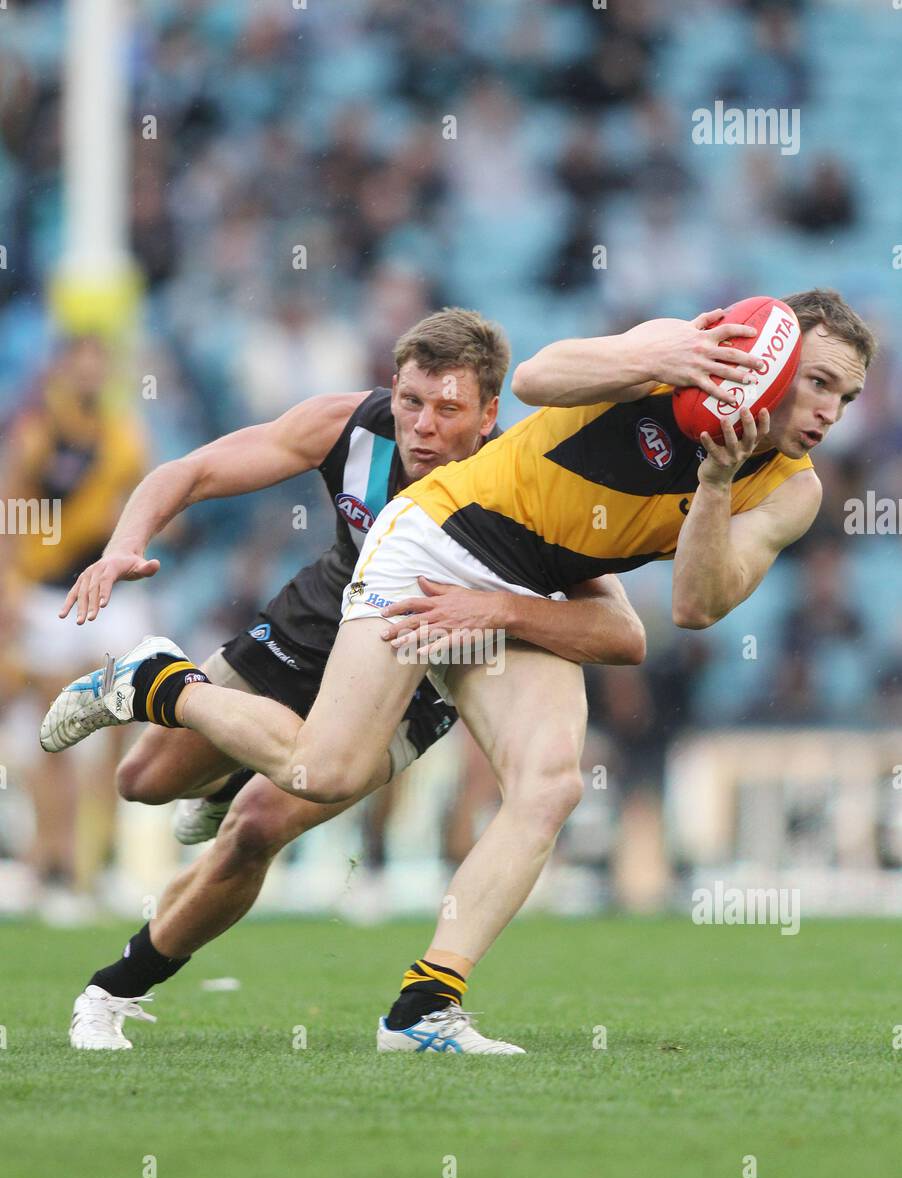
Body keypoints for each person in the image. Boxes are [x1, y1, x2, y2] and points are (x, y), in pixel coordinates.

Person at [43, 290, 873, 1054]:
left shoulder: (791, 490)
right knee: (302, 773)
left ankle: (423, 1007)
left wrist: (718, 484)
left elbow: (693, 608)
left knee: (549, 784)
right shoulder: (676, 348)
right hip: (440, 542)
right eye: (822, 383)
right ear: (774, 358)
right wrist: (664, 360)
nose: (832, 413)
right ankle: (159, 682)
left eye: (850, 398)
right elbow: (545, 375)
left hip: (515, 594)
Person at [0, 335, 149, 923]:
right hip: (47, 595)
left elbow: (146, 503)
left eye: (98, 364)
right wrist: (8, 584)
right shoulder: (38, 432)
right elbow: (11, 508)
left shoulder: (123, 435)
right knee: (54, 727)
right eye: (79, 364)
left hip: (108, 595)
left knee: (119, 720)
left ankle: (102, 858)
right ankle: (58, 861)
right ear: (63, 369)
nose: (89, 375)